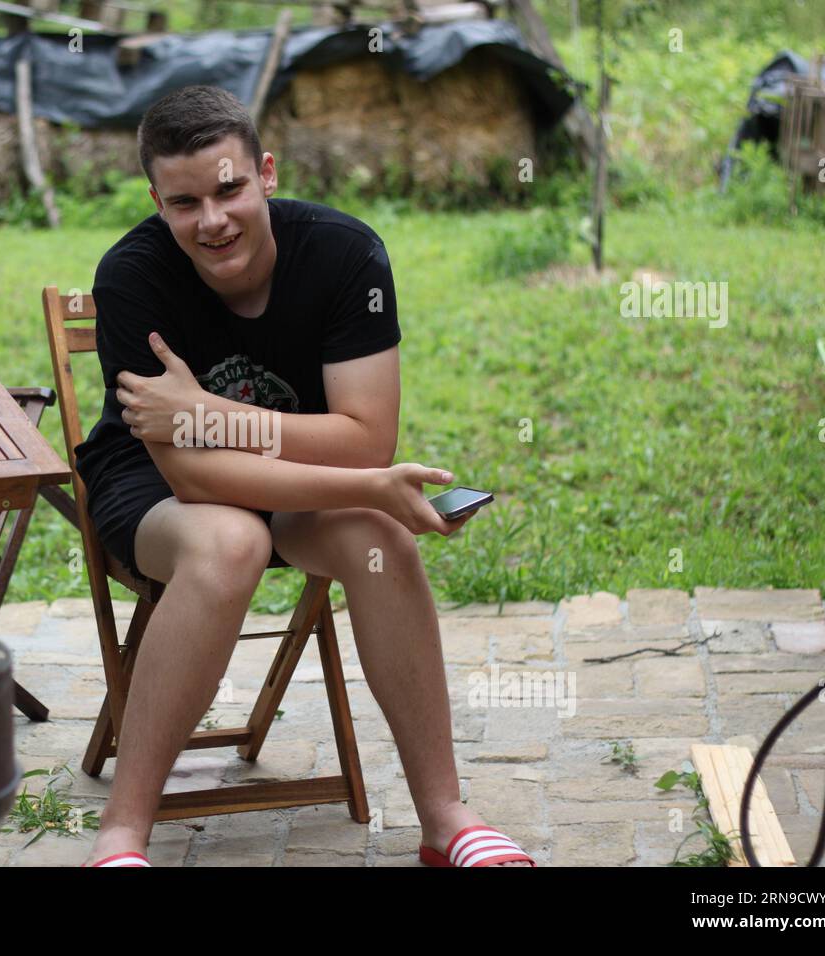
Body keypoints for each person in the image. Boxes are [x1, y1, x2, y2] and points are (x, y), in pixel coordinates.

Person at [73, 85, 535, 868]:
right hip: (154, 488)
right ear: (157, 201)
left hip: (303, 477)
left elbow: (364, 441)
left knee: (381, 533)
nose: (212, 220)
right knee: (228, 543)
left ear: (266, 173)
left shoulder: (346, 254)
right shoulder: (131, 276)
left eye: (229, 189)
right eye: (184, 203)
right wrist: (354, 477)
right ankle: (121, 835)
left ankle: (445, 818)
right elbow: (188, 473)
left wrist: (208, 414)